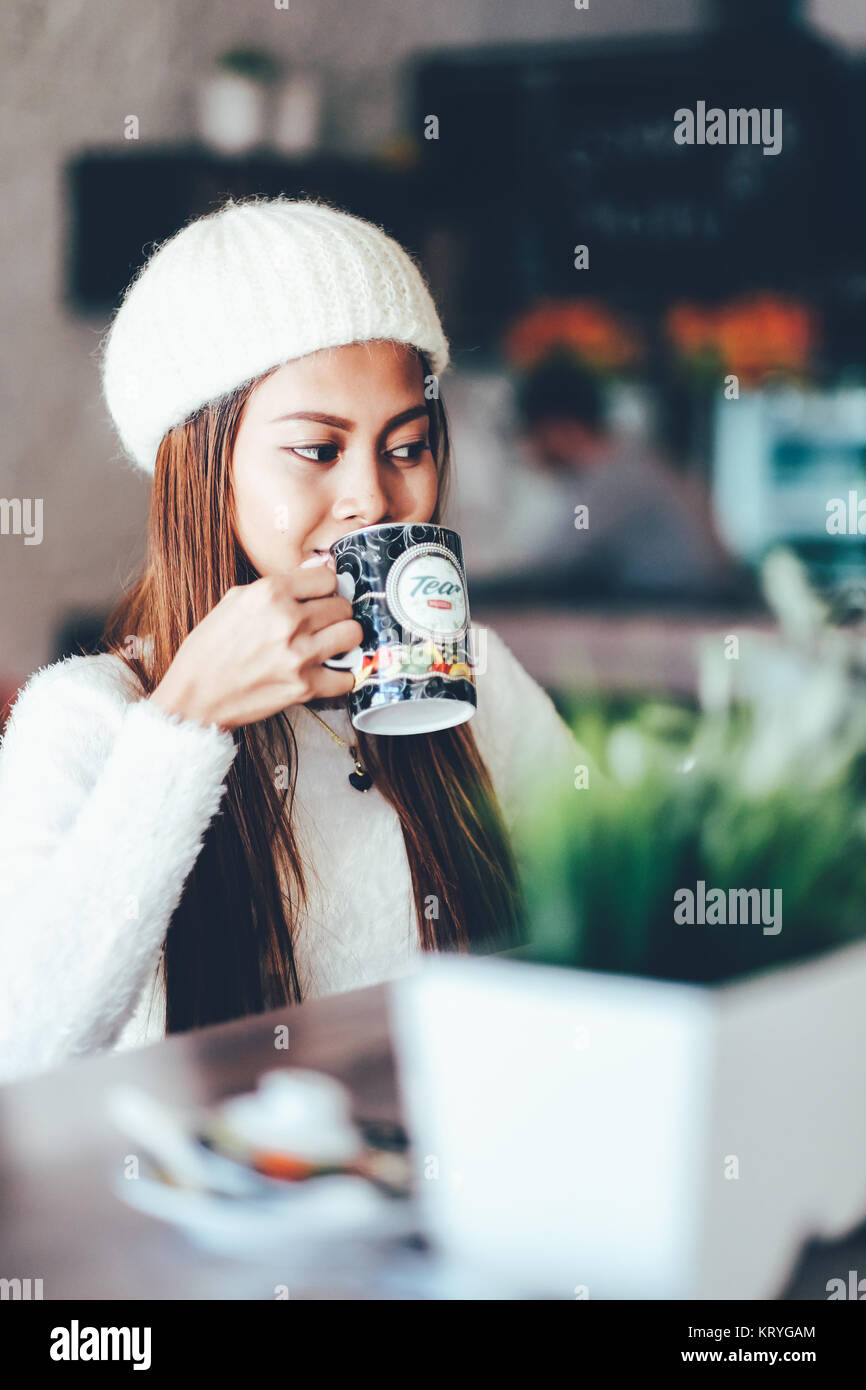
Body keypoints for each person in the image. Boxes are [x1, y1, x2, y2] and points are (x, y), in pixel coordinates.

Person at [0, 196, 581, 1084]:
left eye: (408, 446)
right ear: (202, 470)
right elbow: (25, 1055)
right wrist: (186, 725)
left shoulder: (482, 681)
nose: (374, 500)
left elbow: (625, 926)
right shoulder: (87, 718)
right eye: (317, 450)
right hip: (195, 1211)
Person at [497, 354, 743, 603]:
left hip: (685, 614)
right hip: (690, 611)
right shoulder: (634, 462)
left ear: (557, 428)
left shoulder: (613, 477)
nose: (527, 450)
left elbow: (551, 562)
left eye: (529, 435)